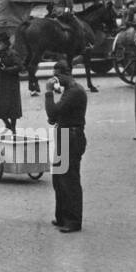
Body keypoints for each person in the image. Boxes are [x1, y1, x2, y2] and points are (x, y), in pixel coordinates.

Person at [43, 61, 86, 233]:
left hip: (71, 136)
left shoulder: (74, 92)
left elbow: (52, 113)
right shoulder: (70, 90)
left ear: (63, 75)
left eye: (56, 76)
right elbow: (56, 115)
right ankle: (62, 216)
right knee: (59, 179)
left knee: (69, 180)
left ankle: (73, 220)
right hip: (65, 134)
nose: (55, 80)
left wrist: (48, 92)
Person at [0, 35, 22, 133]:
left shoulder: (12, 53)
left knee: (12, 109)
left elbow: (20, 66)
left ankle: (13, 128)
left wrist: (7, 69)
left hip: (10, 86)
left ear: (4, 44)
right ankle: (8, 125)